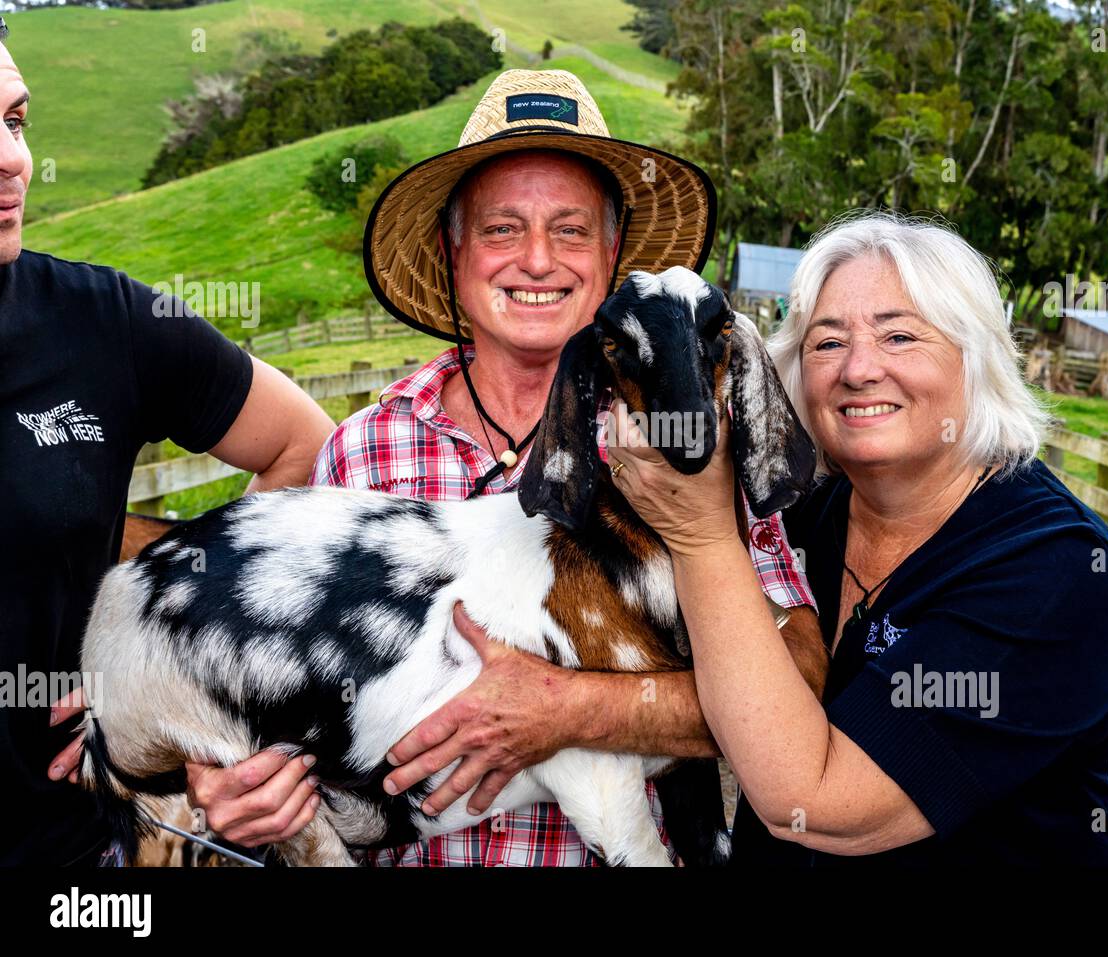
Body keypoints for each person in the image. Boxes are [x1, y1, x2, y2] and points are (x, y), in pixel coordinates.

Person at [185, 69, 827, 865]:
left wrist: (574, 708)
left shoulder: (692, 449)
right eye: (500, 229)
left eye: (570, 229)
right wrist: (231, 779)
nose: (536, 260)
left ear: (611, 253)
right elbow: (282, 688)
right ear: (455, 253)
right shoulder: (363, 451)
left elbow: (795, 674)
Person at [602, 210, 1108, 866]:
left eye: (900, 337)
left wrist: (703, 538)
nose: (858, 369)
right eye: (827, 343)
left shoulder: (1051, 570)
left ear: (977, 357)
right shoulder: (800, 513)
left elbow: (813, 800)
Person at [0, 23, 336, 866]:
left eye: (15, 121)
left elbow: (304, 444)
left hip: (66, 854)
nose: (11, 159)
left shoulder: (104, 323)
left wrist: (162, 651)